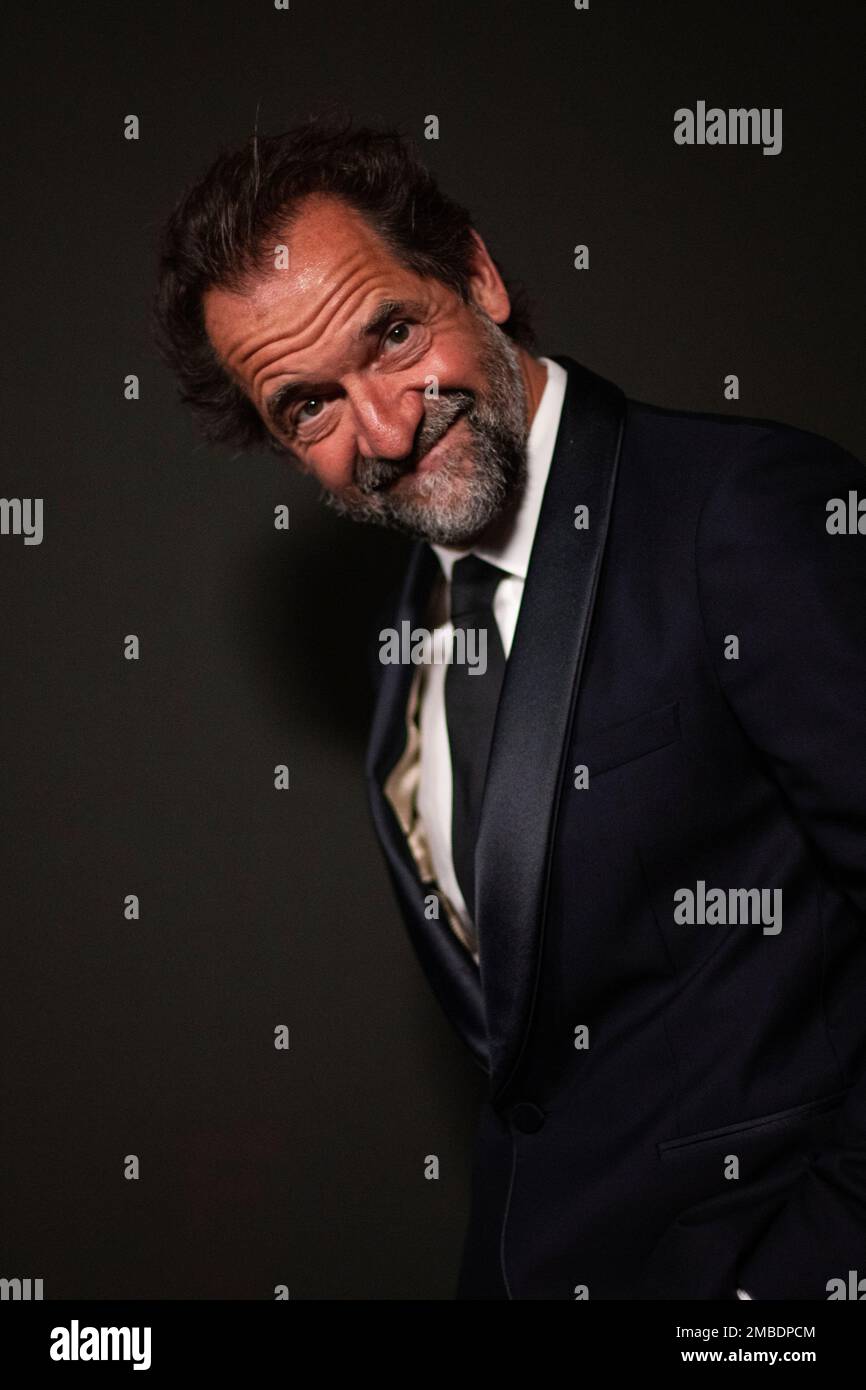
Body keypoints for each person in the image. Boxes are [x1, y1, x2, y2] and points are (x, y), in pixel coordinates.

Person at [154, 115, 866, 1300]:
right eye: (308, 407)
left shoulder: (741, 513)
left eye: (391, 333)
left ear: (475, 275)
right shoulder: (418, 617)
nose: (385, 428)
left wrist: (793, 1285)